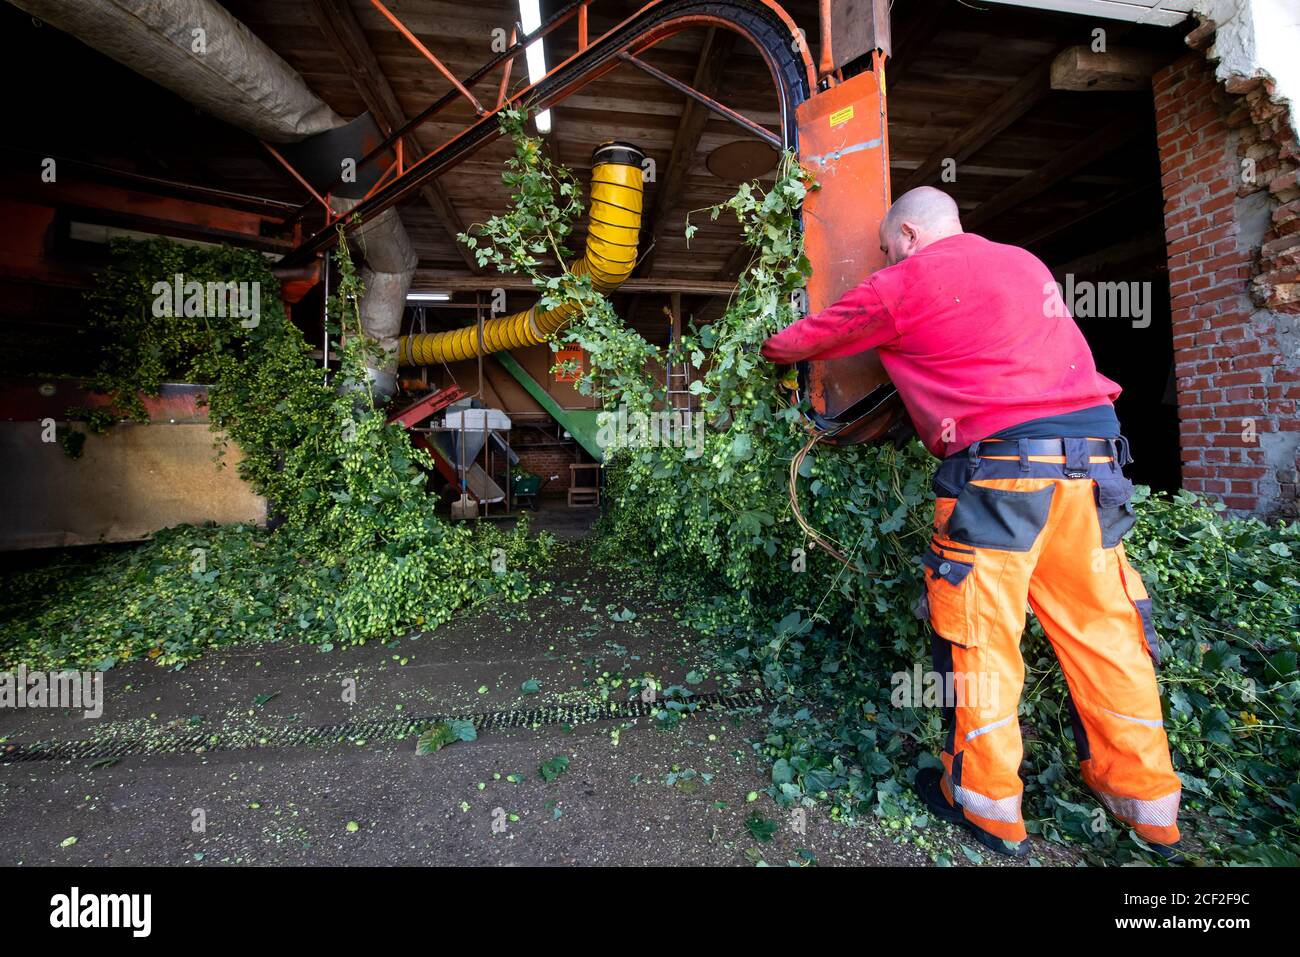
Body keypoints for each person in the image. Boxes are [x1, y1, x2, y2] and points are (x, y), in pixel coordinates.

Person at [760, 186, 1182, 859]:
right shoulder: (1025, 264)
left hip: (1003, 473)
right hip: (1097, 461)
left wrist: (767, 348)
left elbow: (811, 337)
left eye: (884, 248)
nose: (883, 259)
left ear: (906, 236)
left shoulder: (904, 279)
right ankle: (1148, 806)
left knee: (980, 636)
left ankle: (986, 806)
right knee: (1106, 632)